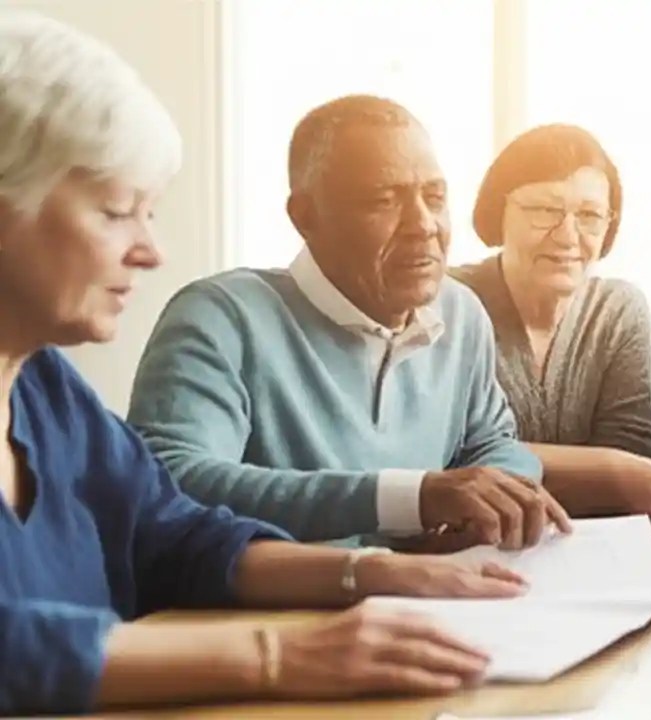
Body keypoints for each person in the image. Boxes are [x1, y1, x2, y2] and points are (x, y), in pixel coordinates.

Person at [0, 12, 534, 715]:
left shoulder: (45, 389)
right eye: (115, 211)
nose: (151, 251)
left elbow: (174, 533)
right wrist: (276, 655)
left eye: (149, 214)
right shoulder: (222, 315)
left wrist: (371, 574)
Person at [127, 95, 571, 550]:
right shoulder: (222, 316)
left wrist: (493, 499)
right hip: (287, 595)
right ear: (305, 217)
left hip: (437, 587)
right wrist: (411, 499)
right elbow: (174, 477)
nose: (423, 225)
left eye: (434, 197)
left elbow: (495, 442)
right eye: (384, 200)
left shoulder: (461, 314)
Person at [452, 124, 651, 537]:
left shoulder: (618, 310)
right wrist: (609, 471)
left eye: (589, 216)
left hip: (590, 541)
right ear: (498, 212)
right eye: (544, 210)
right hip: (475, 543)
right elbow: (451, 460)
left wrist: (616, 473)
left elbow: (628, 470)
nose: (567, 236)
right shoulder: (452, 302)